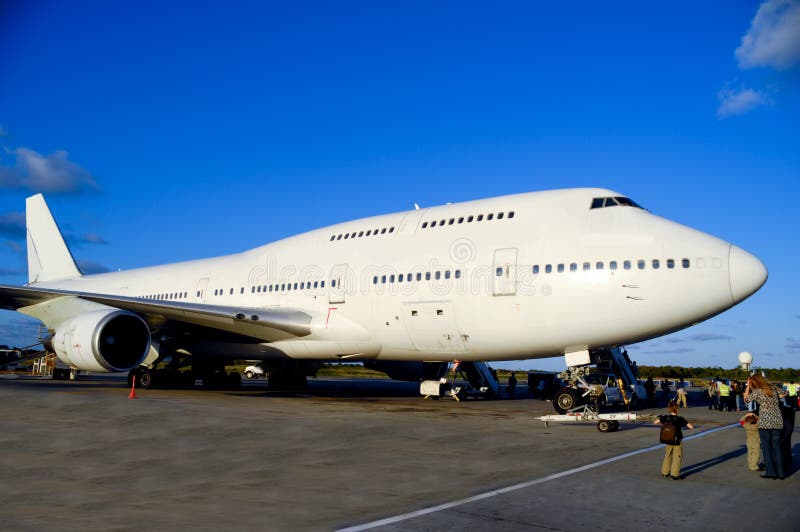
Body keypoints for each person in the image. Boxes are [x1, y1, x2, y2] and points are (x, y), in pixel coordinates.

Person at [743, 374, 785, 479]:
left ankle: (771, 472)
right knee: (777, 448)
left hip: (765, 422)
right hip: (778, 421)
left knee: (767, 448)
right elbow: (783, 394)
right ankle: (781, 473)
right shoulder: (773, 387)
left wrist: (748, 386)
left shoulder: (758, 392)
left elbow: (746, 399)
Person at [654, 400, 694, 479]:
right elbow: (691, 426)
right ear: (677, 409)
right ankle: (674, 474)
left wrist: (661, 419)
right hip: (677, 440)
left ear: (669, 409)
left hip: (667, 439)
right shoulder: (680, 419)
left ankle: (665, 472)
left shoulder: (666, 417)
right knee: (677, 456)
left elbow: (655, 422)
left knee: (668, 455)